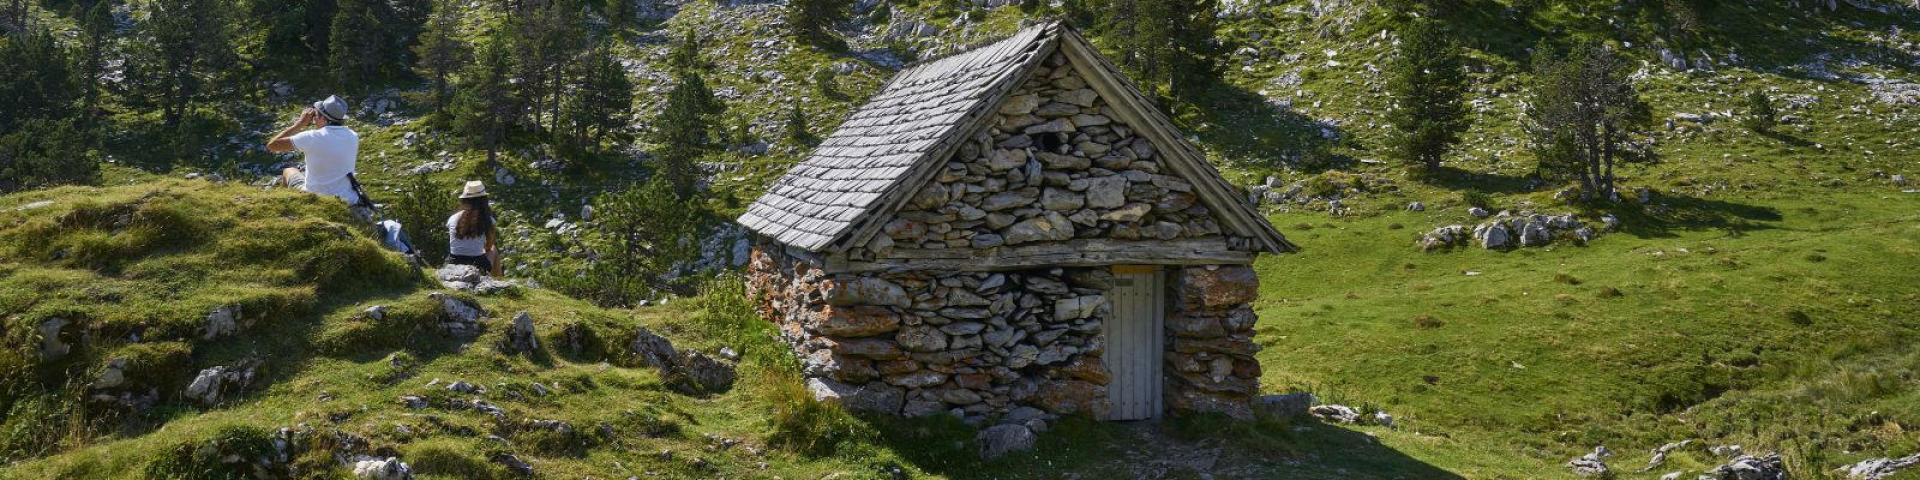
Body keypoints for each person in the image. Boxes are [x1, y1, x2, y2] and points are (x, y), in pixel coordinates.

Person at [266, 96, 361, 204]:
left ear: (324, 119)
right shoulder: (353, 135)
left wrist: (298, 124)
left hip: (317, 197)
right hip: (348, 198)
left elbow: (272, 145)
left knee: (288, 171)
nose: (314, 119)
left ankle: (285, 204)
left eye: (315, 115)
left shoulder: (312, 137)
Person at [447, 181, 502, 277]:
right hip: (477, 264)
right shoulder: (487, 219)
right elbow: (489, 246)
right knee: (494, 249)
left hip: (454, 263)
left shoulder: (453, 218)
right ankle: (497, 281)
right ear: (484, 200)